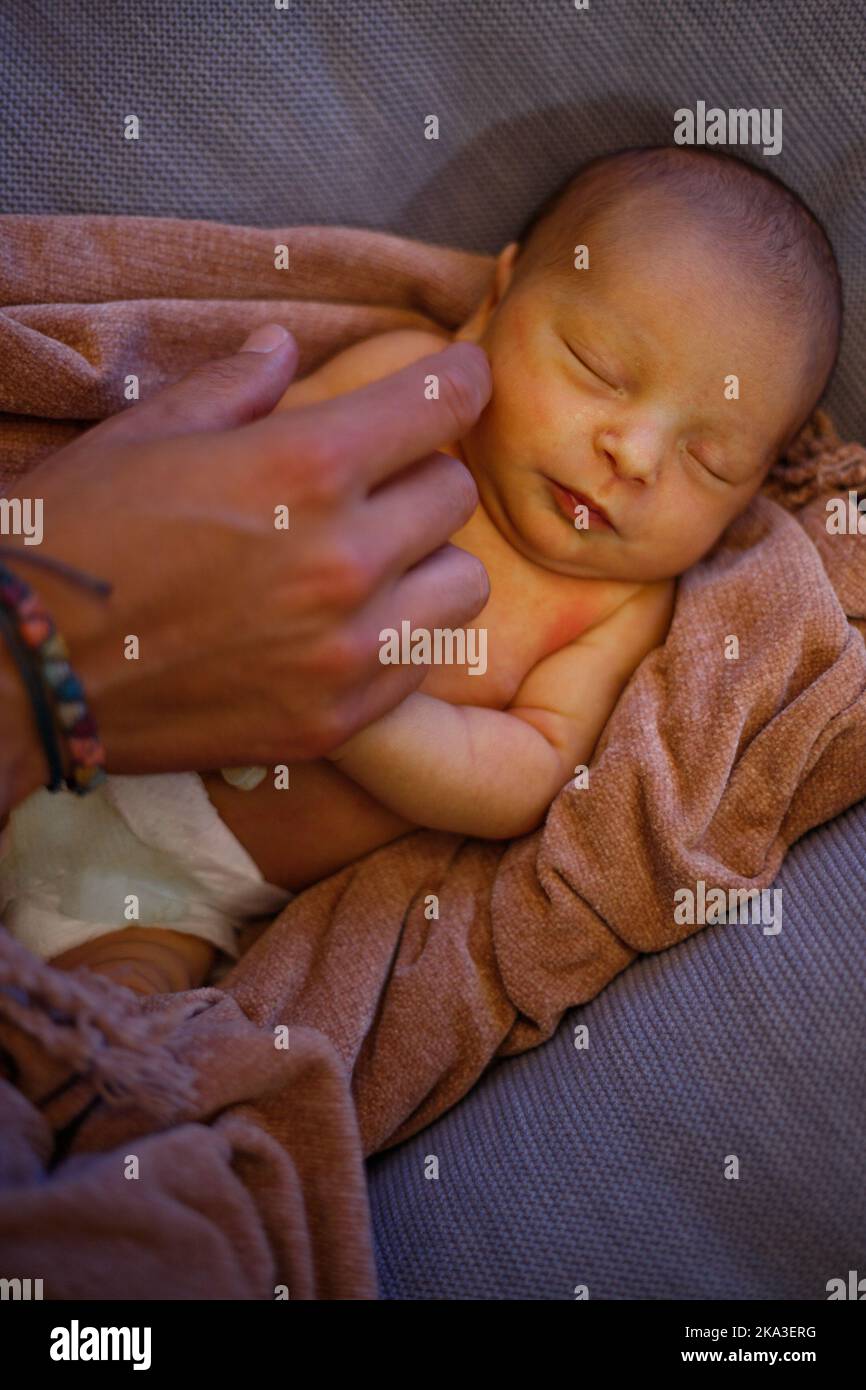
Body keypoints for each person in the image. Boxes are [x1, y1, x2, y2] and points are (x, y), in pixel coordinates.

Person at [0, 329, 492, 816]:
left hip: (182, 875)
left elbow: (503, 777)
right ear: (498, 296)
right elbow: (277, 454)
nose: (574, 448)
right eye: (573, 357)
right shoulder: (410, 363)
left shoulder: (571, 616)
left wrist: (352, 713)